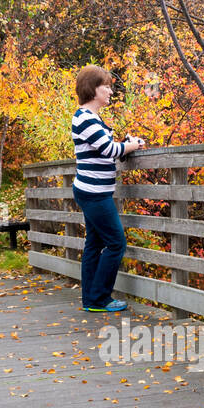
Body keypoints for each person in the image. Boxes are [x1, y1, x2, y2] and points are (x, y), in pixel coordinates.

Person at [71, 64, 147, 312]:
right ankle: (100, 298)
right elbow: (109, 150)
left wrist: (124, 144)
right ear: (93, 89)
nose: (110, 92)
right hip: (93, 194)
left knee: (94, 243)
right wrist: (131, 146)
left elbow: (104, 149)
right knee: (116, 243)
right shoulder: (84, 118)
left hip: (95, 192)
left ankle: (91, 300)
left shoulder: (92, 118)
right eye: (107, 87)